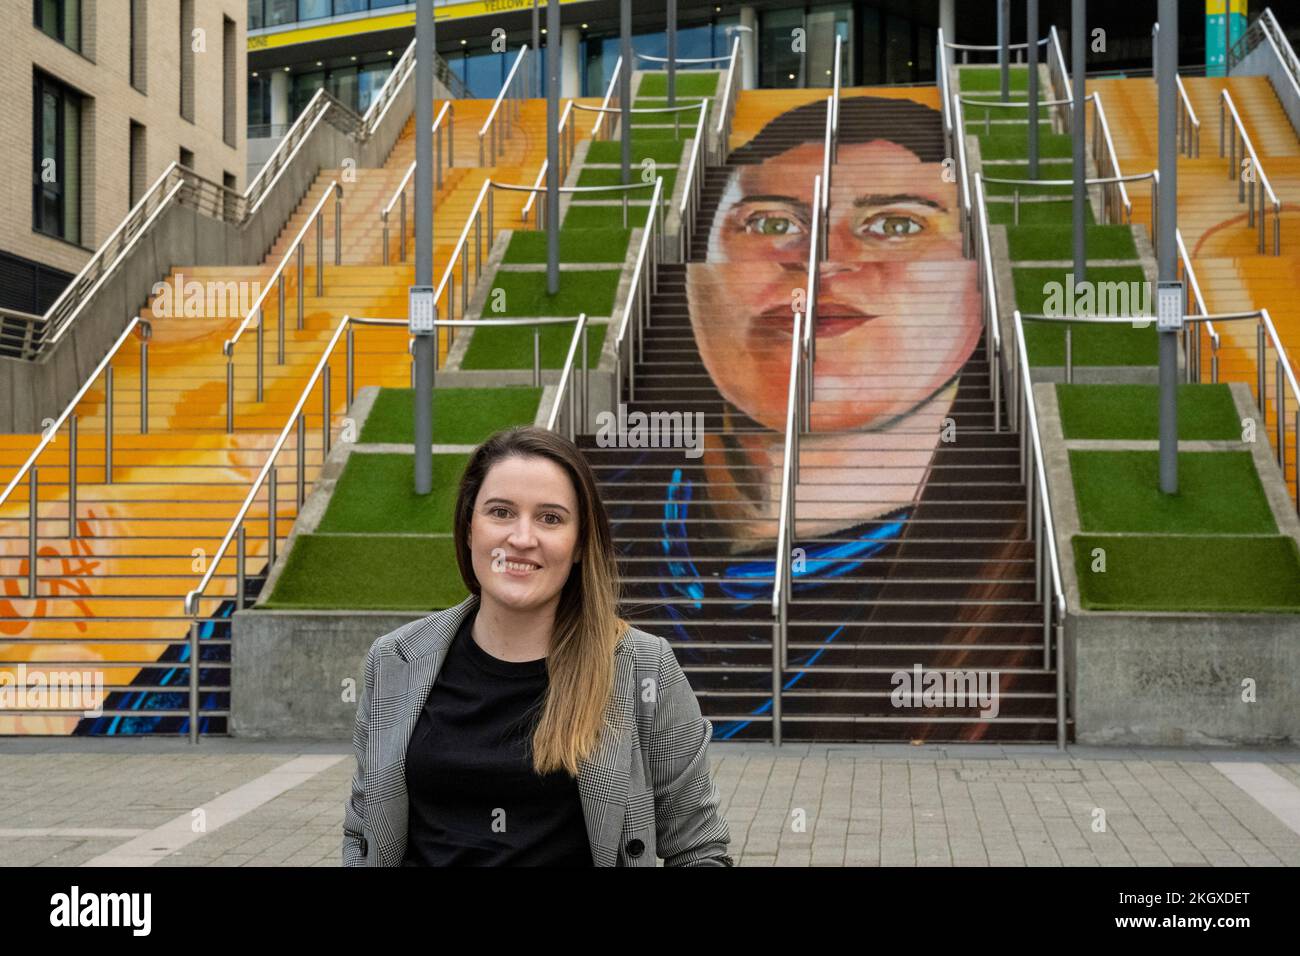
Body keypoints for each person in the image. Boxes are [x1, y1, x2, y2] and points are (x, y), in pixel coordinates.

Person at [606, 94, 1039, 742]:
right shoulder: (594, 504)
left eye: (896, 225)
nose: (819, 261)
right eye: (767, 222)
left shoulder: (1009, 587)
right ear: (690, 276)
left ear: (983, 280)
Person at [342, 425, 734, 866]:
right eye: (501, 512)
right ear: (470, 527)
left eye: (550, 518)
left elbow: (699, 850)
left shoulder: (643, 669)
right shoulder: (395, 660)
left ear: (581, 541)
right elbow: (363, 834)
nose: (522, 538)